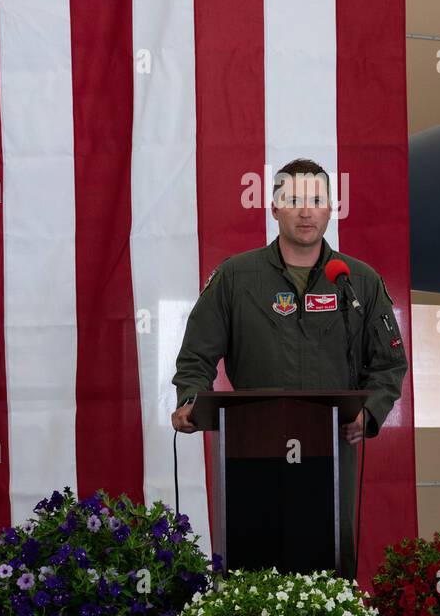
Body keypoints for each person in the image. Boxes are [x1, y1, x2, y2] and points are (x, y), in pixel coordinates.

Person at [171, 158, 408, 576]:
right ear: (274, 206)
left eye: (316, 200)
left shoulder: (358, 281)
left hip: (331, 448)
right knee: (252, 562)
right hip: (251, 446)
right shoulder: (235, 278)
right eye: (293, 199)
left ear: (331, 208)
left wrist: (369, 413)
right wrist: (190, 399)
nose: (305, 210)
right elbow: (196, 356)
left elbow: (389, 363)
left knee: (328, 563)